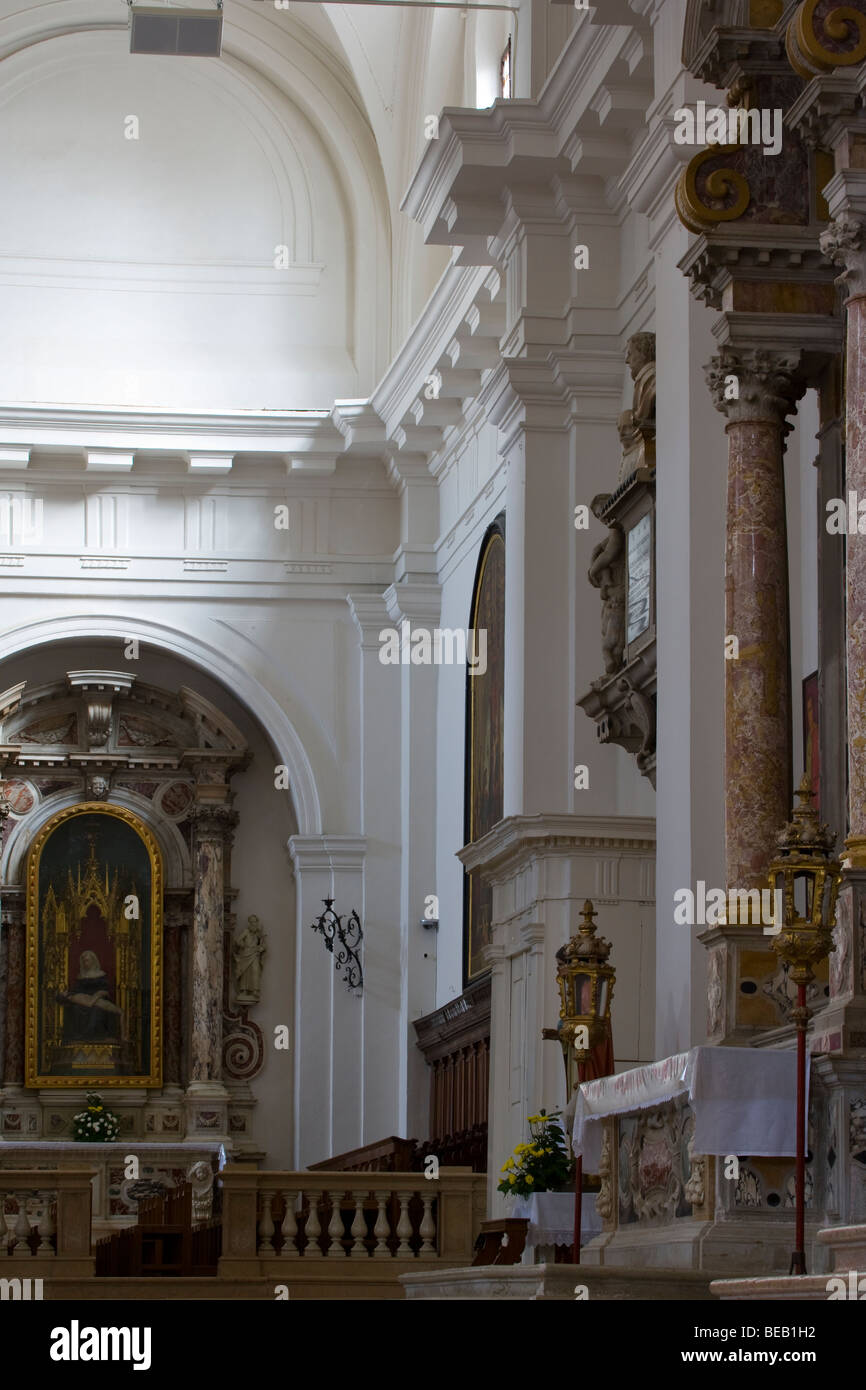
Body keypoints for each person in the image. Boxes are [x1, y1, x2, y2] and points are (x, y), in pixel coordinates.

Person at [58, 949, 125, 1041]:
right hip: (84, 1000)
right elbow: (76, 990)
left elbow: (104, 990)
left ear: (93, 960)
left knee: (97, 1011)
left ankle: (99, 1037)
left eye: (87, 960)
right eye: (84, 961)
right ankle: (80, 1037)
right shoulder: (80, 976)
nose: (86, 963)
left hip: (98, 998)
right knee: (75, 1009)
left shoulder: (101, 974)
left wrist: (96, 996)